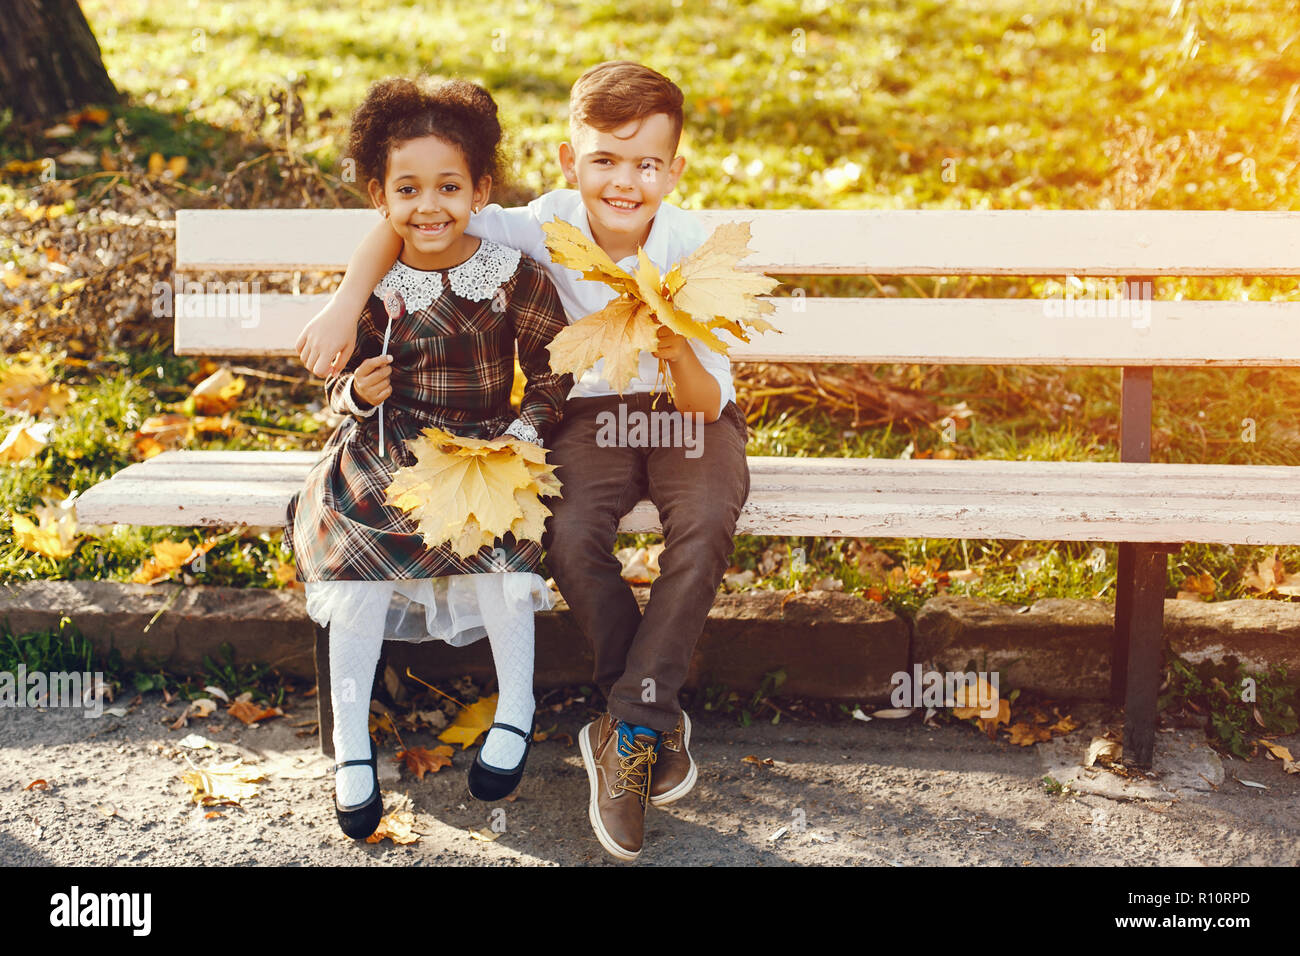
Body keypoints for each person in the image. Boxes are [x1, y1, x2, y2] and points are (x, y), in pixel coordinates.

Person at [295, 61, 751, 861]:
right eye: (604, 160)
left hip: (690, 414)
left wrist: (678, 350)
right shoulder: (542, 224)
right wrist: (343, 301)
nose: (624, 181)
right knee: (569, 534)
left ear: (675, 171)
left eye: (647, 164)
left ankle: (632, 724)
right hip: (589, 415)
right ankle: (640, 716)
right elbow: (413, 217)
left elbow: (708, 405)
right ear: (571, 164)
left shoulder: (696, 246)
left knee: (707, 521)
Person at [283, 75, 573, 841]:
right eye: (407, 188)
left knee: (505, 558)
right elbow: (332, 390)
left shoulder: (512, 276)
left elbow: (553, 372)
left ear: (480, 189)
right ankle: (353, 748)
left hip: (481, 447)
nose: (429, 206)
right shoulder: (373, 288)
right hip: (386, 450)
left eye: (449, 186)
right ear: (380, 197)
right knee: (358, 573)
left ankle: (516, 708)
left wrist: (526, 432)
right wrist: (357, 394)